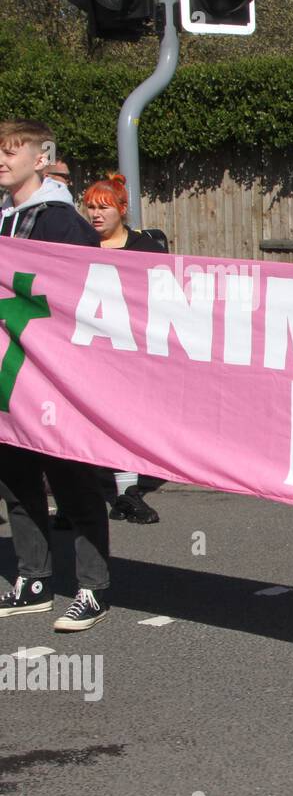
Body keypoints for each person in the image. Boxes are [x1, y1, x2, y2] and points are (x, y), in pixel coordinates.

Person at [0, 120, 111, 631]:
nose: (1, 161)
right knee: (15, 476)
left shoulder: (61, 221)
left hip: (57, 373)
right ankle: (34, 579)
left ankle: (92, 587)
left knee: (72, 476)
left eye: (10, 152)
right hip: (12, 371)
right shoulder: (5, 216)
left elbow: (89, 291)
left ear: (41, 159)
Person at [79, 173, 166, 525]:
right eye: (90, 207)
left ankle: (127, 494)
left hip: (130, 348)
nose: (96, 214)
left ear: (122, 209)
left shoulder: (145, 249)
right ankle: (78, 498)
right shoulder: (75, 245)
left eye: (104, 207)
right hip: (87, 347)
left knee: (127, 417)